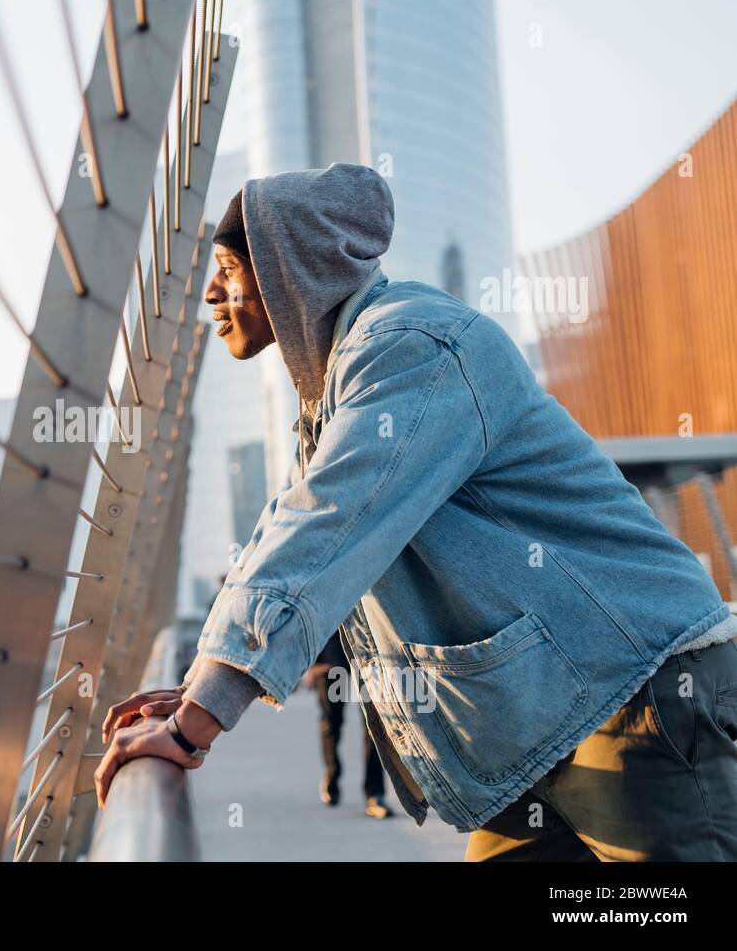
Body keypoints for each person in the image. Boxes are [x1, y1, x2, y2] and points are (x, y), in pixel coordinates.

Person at [95, 163, 737, 860]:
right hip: (529, 722)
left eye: (226, 268)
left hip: (634, 690)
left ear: (292, 270)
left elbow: (325, 525)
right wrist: (195, 683)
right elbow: (275, 535)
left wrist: (195, 725)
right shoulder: (336, 391)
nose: (211, 293)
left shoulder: (413, 348)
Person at [304, 632, 390, 819]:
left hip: (367, 645)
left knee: (374, 725)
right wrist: (313, 658)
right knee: (331, 721)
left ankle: (375, 794)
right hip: (331, 646)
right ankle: (332, 774)